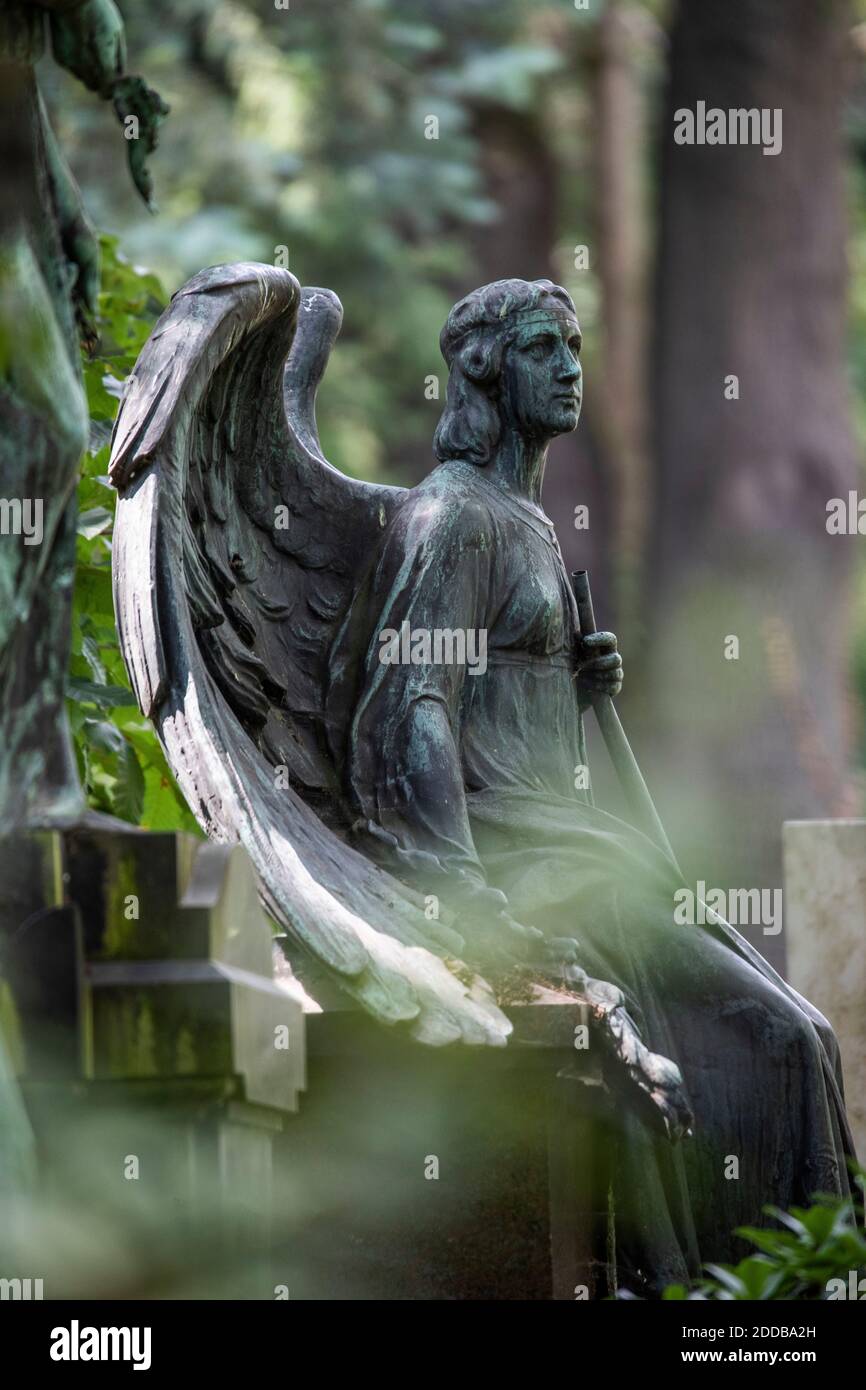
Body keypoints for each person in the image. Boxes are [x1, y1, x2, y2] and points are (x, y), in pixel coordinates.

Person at [327, 277, 856, 1293]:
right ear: (487, 368)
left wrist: (565, 683)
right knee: (786, 1036)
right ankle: (760, 1305)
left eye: (575, 344)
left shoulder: (518, 516)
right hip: (528, 861)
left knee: (792, 1034)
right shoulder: (453, 516)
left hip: (578, 844)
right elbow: (413, 709)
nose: (572, 366)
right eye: (544, 347)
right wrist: (470, 894)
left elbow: (486, 697)